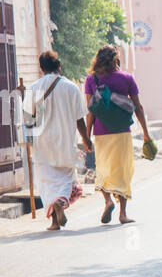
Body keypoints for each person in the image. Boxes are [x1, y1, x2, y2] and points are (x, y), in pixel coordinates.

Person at [22, 51, 91, 230]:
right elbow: (79, 119)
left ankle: (54, 220)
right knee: (65, 178)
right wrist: (86, 139)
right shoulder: (71, 87)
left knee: (47, 180)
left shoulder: (34, 88)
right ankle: (61, 201)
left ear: (41, 68)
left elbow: (28, 121)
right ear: (58, 65)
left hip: (42, 143)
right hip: (65, 142)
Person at [84, 46, 150, 225]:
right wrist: (146, 134)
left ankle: (107, 201)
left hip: (101, 132)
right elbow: (138, 108)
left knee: (103, 168)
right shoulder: (127, 78)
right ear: (115, 60)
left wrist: (86, 137)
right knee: (122, 171)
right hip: (122, 132)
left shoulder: (91, 79)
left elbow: (90, 111)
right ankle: (122, 214)